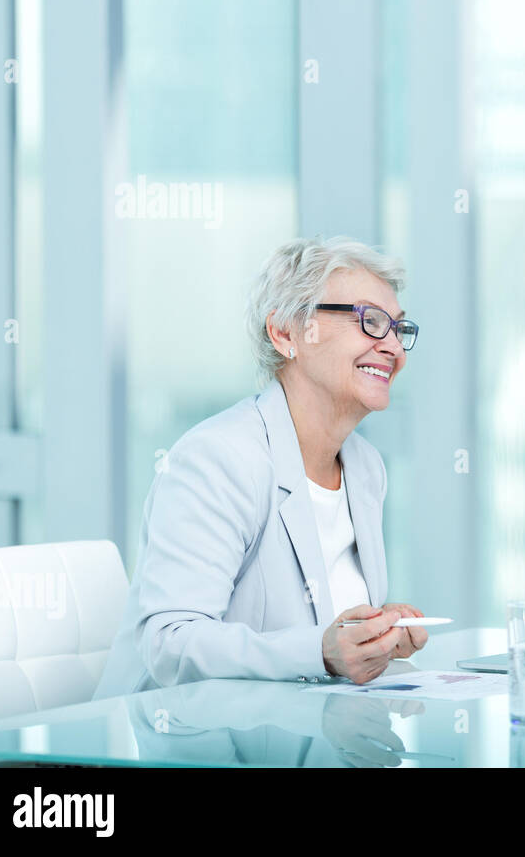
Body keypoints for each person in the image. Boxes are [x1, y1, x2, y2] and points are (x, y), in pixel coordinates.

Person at [95, 236, 427, 697]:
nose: (393, 347)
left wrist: (373, 637)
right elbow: (170, 644)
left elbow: (319, 633)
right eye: (371, 321)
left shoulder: (366, 468)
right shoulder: (218, 458)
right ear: (287, 334)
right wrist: (322, 652)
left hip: (298, 735)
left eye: (398, 327)